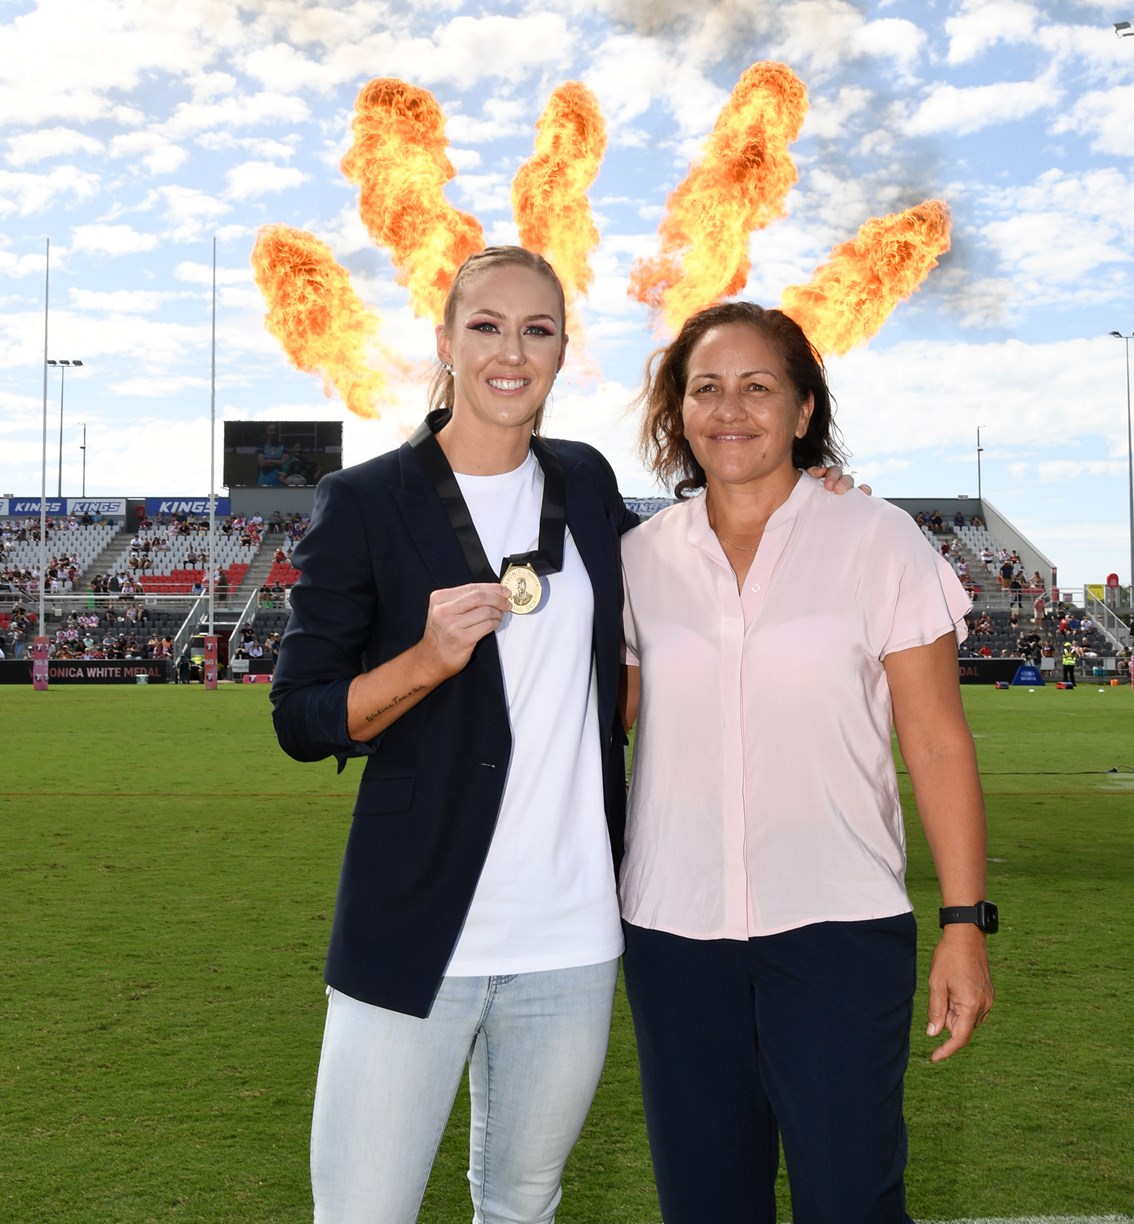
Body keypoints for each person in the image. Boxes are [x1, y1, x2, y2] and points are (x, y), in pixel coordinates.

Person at [269, 246, 639, 1224]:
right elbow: (301, 718)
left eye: (538, 328)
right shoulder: (367, 502)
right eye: (486, 326)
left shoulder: (588, 483)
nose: (511, 351)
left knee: (522, 1207)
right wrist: (425, 663)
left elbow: (656, 609)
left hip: (571, 939)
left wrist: (812, 491)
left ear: (562, 351)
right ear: (445, 341)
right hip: (414, 929)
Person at [618, 302, 994, 1224]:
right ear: (678, 412)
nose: (731, 409)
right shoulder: (635, 558)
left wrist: (964, 921)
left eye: (759, 387)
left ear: (802, 408)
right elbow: (598, 722)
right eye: (706, 388)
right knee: (705, 1205)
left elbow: (938, 739)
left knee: (850, 1203)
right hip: (673, 936)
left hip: (837, 931)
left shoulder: (877, 538)